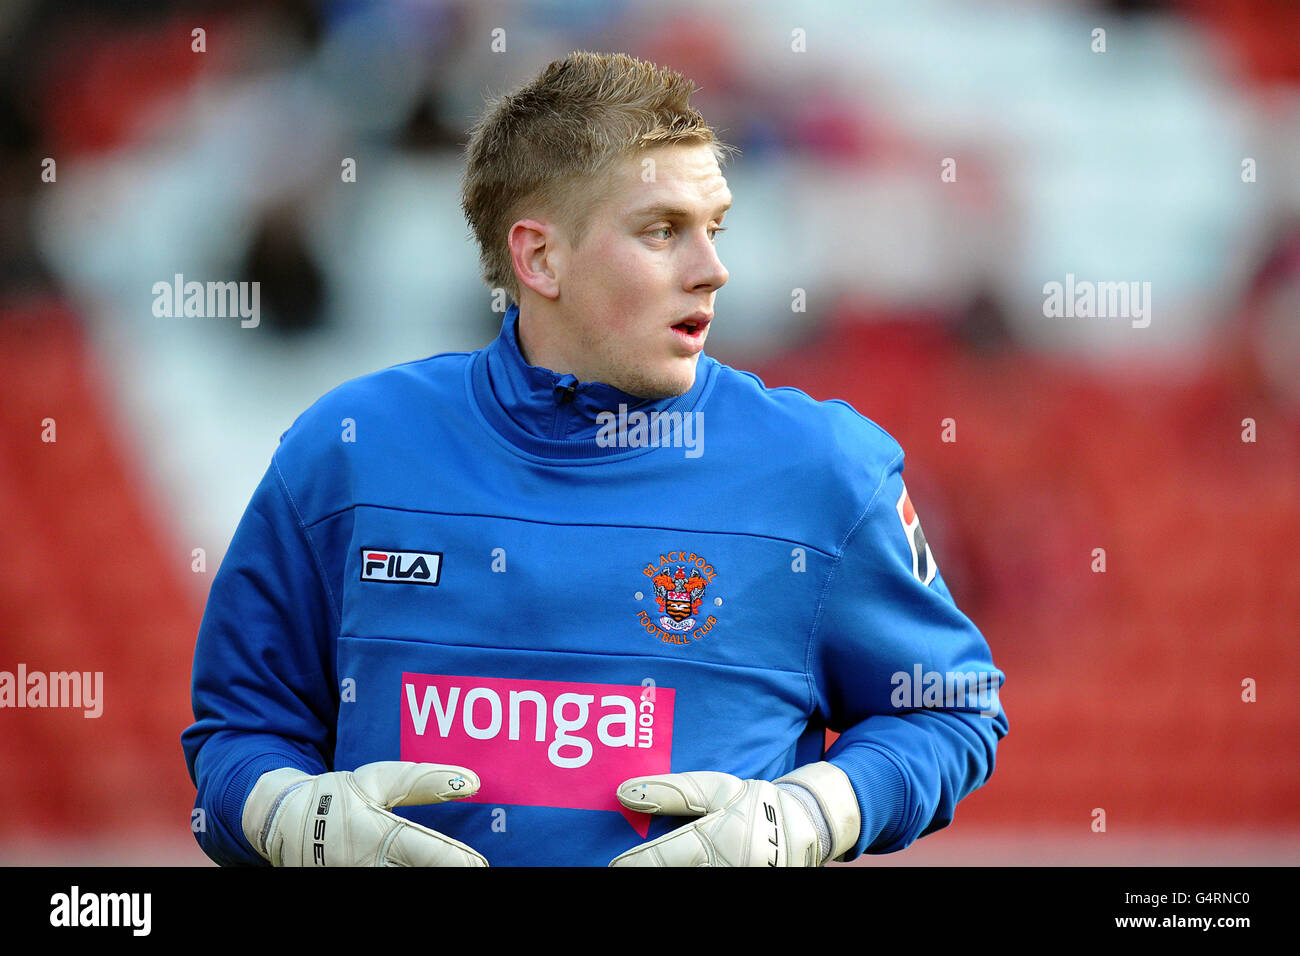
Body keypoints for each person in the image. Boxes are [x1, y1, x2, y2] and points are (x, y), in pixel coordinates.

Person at [181, 51, 1008, 867]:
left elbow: (950, 709)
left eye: (714, 229)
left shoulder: (825, 470)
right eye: (663, 232)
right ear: (539, 258)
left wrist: (814, 814)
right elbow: (239, 731)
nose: (712, 270)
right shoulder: (348, 452)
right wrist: (286, 815)